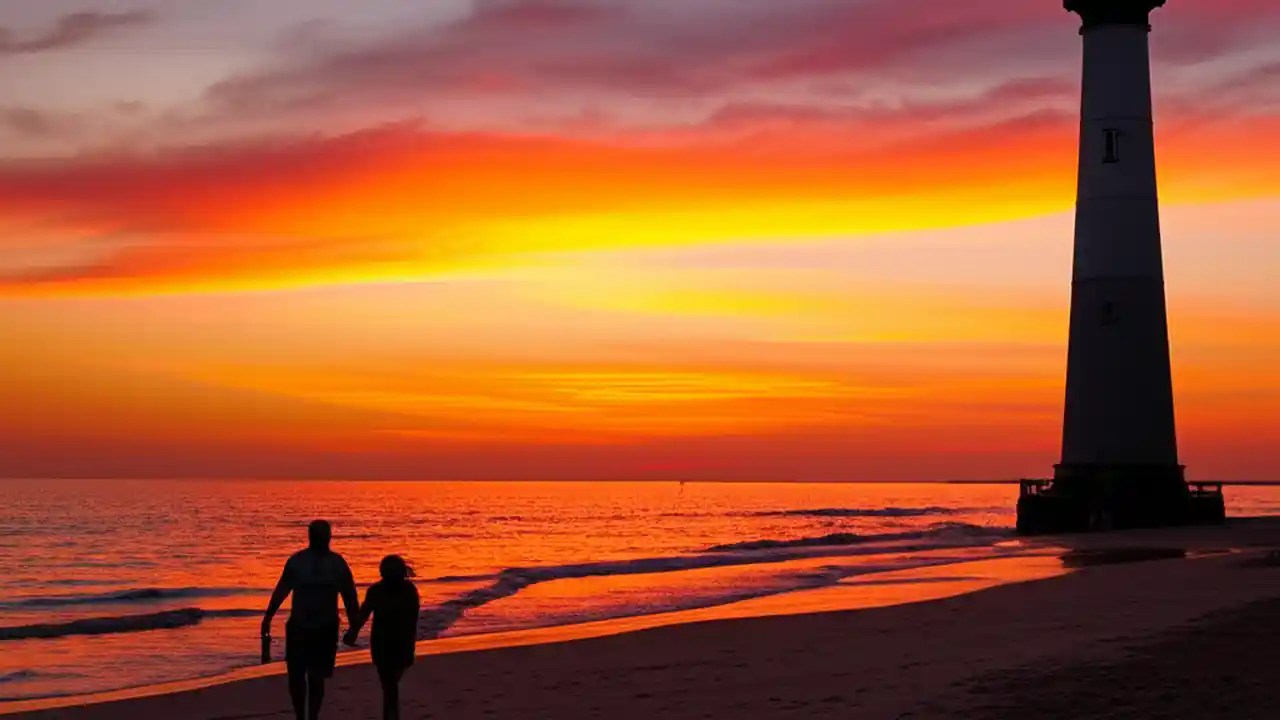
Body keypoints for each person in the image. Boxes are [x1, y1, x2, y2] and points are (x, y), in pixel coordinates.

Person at [262, 519, 360, 720]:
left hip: (324, 628)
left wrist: (354, 627)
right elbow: (281, 591)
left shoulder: (335, 563)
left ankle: (311, 716)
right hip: (300, 626)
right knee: (297, 677)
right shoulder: (299, 562)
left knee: (315, 677)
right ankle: (301, 716)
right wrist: (268, 616)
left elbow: (350, 597)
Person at [344, 555, 421, 720]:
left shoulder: (376, 591)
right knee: (391, 684)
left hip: (383, 644)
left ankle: (390, 714)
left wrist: (352, 633)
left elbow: (362, 616)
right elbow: (413, 619)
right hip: (402, 643)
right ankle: (391, 714)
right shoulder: (409, 590)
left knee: (389, 684)